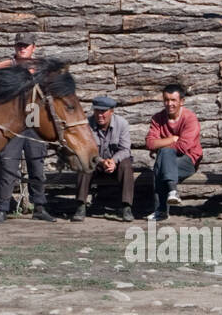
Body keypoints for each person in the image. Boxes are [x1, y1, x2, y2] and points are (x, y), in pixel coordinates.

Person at [0, 33, 53, 224]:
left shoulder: (42, 67)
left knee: (37, 165)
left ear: (34, 47)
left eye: (25, 45)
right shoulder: (8, 66)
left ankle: (39, 206)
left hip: (34, 121)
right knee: (8, 166)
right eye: (19, 45)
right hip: (13, 123)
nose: (22, 48)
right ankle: (2, 208)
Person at [144, 83, 202, 221]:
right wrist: (172, 139)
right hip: (169, 162)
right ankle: (172, 191)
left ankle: (161, 211)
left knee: (162, 160)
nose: (169, 104)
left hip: (188, 160)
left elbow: (184, 146)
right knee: (162, 161)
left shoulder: (190, 118)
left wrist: (163, 144)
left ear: (181, 102)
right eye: (166, 100)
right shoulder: (157, 118)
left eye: (173, 100)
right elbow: (149, 143)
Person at [73, 96, 134, 222]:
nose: (100, 115)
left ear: (112, 111)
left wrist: (113, 161)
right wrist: (101, 161)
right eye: (97, 111)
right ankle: (80, 206)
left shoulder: (122, 124)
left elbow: (125, 149)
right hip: (96, 162)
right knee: (84, 163)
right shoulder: (86, 125)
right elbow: (85, 150)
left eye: (103, 111)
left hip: (116, 165)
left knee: (126, 165)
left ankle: (126, 207)